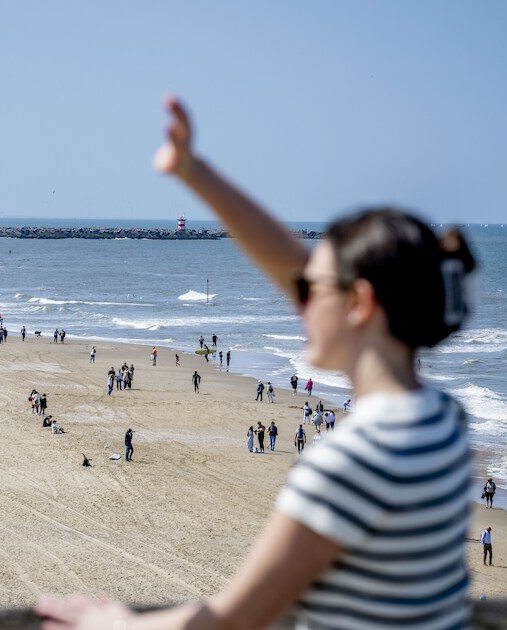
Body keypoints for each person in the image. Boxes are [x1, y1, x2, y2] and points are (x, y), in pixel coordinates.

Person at [38, 96, 477, 629]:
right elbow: (293, 264)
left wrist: (115, 627)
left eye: (310, 291)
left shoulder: (354, 460)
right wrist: (193, 172)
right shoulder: (441, 419)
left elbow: (230, 622)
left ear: (361, 305)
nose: (297, 300)